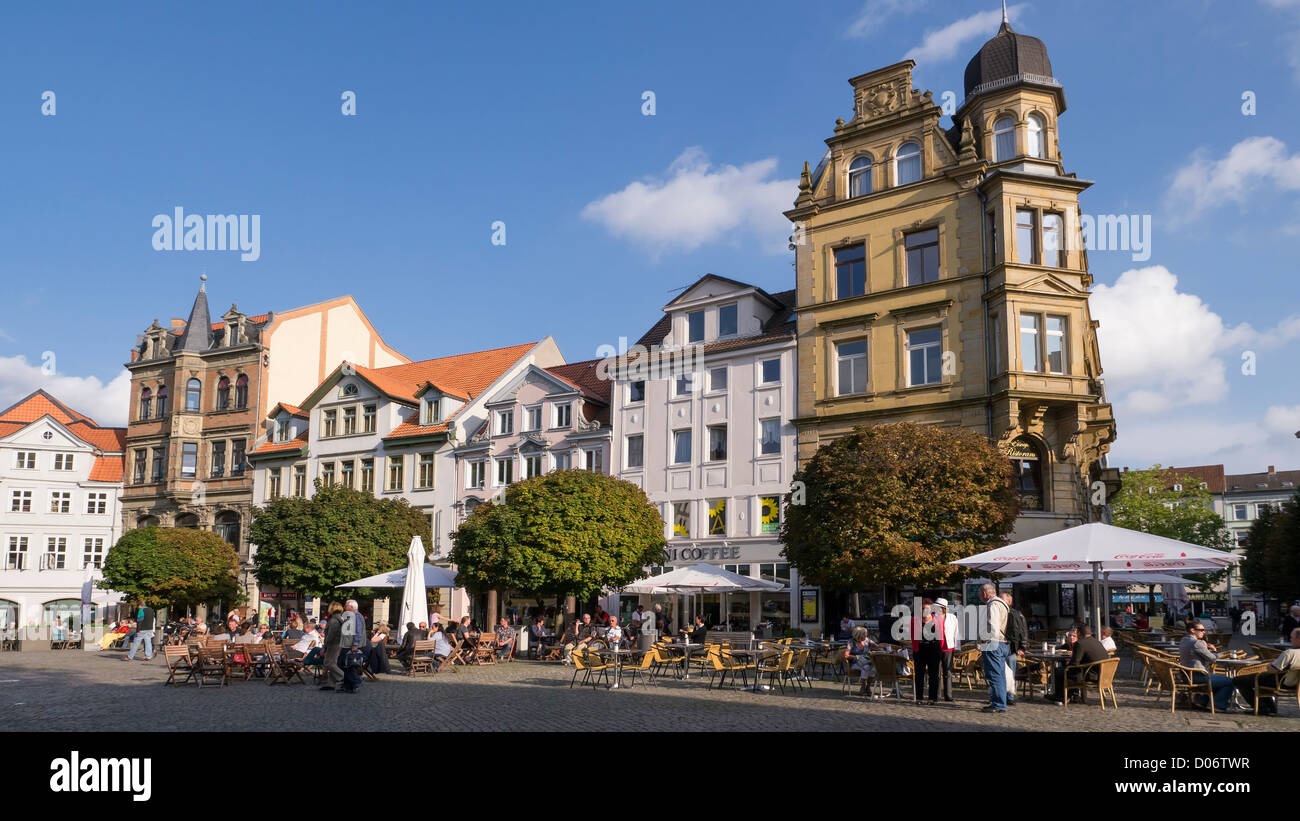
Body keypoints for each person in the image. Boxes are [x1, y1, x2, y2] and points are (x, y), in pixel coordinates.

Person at [1235, 627, 1300, 715]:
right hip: (1295, 683)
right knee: (1259, 680)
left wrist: (1270, 664)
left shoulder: (1290, 653)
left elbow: (1272, 670)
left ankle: (1262, 708)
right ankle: (1270, 707)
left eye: (1292, 637)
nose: (1290, 639)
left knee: (1239, 680)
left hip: (1283, 682)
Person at [1179, 621, 1239, 712]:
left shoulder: (1184, 640)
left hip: (1186, 675)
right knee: (1230, 681)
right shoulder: (1196, 643)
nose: (1204, 632)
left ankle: (1203, 701)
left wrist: (1204, 647)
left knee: (1220, 681)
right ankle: (1218, 705)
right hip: (1198, 676)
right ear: (1192, 630)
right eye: (1201, 630)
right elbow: (1212, 659)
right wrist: (1214, 650)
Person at [1047, 624, 1110, 704]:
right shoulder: (1097, 642)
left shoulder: (1080, 643)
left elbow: (1074, 663)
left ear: (1079, 634)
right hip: (1103, 674)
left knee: (1060, 671)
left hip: (1090, 675)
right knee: (1067, 671)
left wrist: (1067, 665)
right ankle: (1069, 695)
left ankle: (1060, 697)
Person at [979, 584, 1011, 714]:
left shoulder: (993, 604)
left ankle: (998, 704)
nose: (979, 596)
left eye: (980, 593)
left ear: (985, 593)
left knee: (994, 674)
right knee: (1000, 675)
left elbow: (993, 625)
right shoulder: (1002, 604)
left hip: (994, 643)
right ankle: (999, 702)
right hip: (1002, 643)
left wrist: (986, 639)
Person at [1000, 592, 1029, 707]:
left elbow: (1023, 631)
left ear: (1009, 602)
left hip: (1012, 647)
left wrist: (1023, 647)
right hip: (998, 646)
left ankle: (1010, 696)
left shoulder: (1017, 614)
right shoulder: (997, 613)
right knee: (998, 672)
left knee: (1011, 672)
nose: (1000, 601)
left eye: (1003, 599)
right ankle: (1000, 695)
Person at [336, 600, 367, 693]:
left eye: (346, 605)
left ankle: (356, 681)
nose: (344, 607)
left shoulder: (356, 616)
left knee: (344, 664)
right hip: (347, 644)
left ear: (351, 607)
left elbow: (358, 631)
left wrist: (355, 644)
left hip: (350, 645)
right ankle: (347, 686)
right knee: (346, 665)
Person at [844, 626, 879, 696]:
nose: (866, 635)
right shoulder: (851, 642)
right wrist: (857, 657)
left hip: (866, 661)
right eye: (864, 634)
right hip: (855, 663)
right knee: (866, 667)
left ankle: (868, 687)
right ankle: (863, 687)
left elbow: (877, 646)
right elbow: (846, 655)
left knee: (874, 667)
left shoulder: (867, 640)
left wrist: (887, 646)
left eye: (866, 634)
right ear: (859, 635)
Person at [320, 601, 346, 692]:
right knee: (333, 663)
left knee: (328, 663)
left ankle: (344, 677)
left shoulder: (334, 620)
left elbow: (331, 635)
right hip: (338, 643)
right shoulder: (340, 618)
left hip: (333, 644)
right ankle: (331, 684)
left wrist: (325, 646)